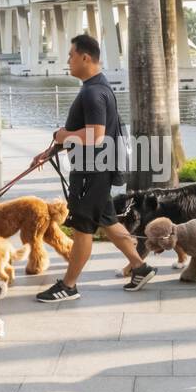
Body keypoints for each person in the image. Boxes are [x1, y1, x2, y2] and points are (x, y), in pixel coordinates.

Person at [31, 33, 156, 303]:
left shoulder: (92, 93)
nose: (68, 60)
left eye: (71, 55)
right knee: (108, 221)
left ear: (85, 57)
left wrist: (62, 136)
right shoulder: (98, 87)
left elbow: (95, 136)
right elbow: (87, 133)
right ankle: (140, 267)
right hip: (99, 170)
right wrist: (50, 151)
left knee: (83, 229)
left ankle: (69, 285)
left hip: (92, 173)